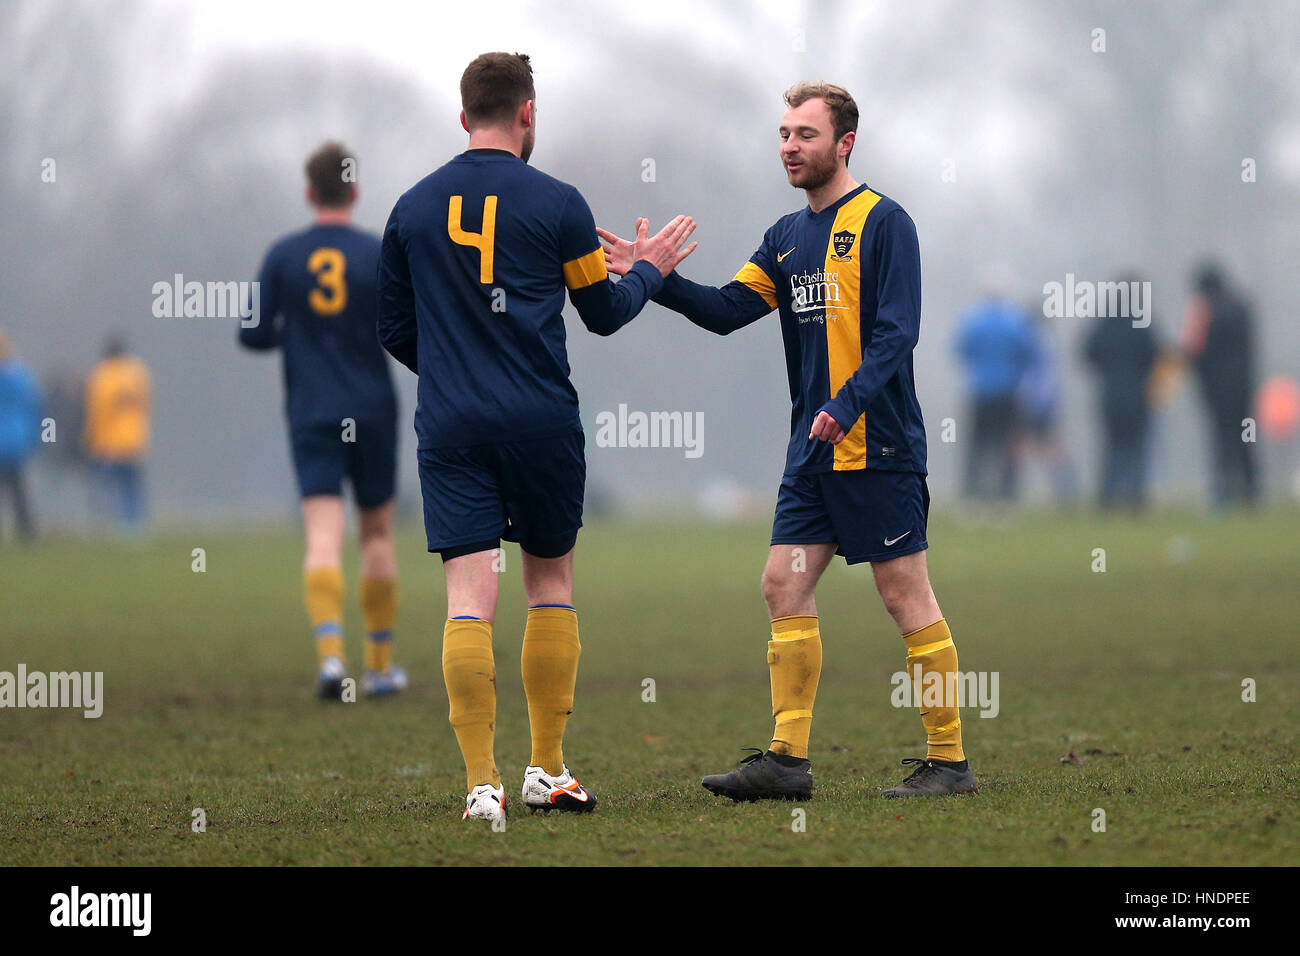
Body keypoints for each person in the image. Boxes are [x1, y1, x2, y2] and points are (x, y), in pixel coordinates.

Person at [600, 82, 977, 800]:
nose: (789, 148)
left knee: (904, 595)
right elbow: (724, 310)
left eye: (805, 134)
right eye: (782, 134)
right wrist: (652, 278)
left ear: (845, 143)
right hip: (813, 453)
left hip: (878, 446)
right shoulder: (785, 236)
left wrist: (846, 403)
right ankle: (786, 762)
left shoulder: (885, 223)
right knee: (783, 583)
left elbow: (899, 334)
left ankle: (950, 763)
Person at [377, 52, 696, 823]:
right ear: (527, 114)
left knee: (467, 598)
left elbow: (391, 327)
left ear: (463, 117)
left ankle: (481, 784)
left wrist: (455, 368)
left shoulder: (411, 208)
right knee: (549, 584)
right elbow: (605, 311)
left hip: (451, 427)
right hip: (540, 423)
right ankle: (547, 770)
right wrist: (651, 269)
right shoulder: (559, 203)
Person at [240, 142, 408, 701]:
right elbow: (404, 324)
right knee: (378, 534)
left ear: (309, 192)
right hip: (373, 408)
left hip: (312, 408)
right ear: (355, 191)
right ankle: (381, 668)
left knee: (323, 536)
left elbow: (252, 332)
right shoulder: (376, 253)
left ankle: (333, 662)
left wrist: (298, 332)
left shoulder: (284, 255)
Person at [1181, 263, 1258, 507]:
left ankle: (1223, 491)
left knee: (1221, 440)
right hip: (1243, 387)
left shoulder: (1207, 312)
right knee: (1246, 439)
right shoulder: (1242, 307)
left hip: (1217, 391)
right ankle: (1251, 490)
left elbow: (1197, 352)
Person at [952, 286, 1038, 503]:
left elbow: (960, 349)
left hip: (980, 390)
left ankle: (971, 494)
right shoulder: (1015, 321)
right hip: (1007, 391)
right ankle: (1005, 495)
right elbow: (1028, 352)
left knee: (977, 445)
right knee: (1007, 445)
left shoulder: (974, 321)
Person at [1083, 275, 1159, 510]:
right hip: (1138, 393)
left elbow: (1088, 352)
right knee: (1136, 447)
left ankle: (1108, 498)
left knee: (1112, 447)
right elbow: (1155, 355)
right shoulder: (1142, 321)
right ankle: (1135, 499)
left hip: (1110, 394)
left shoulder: (1104, 322)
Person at [83, 335, 150, 529]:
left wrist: (92, 439)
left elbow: (97, 412)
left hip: (110, 441)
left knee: (110, 485)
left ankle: (117, 523)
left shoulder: (102, 376)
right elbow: (145, 406)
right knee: (132, 485)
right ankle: (135, 524)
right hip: (135, 438)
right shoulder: (138, 373)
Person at [0, 331, 44, 543]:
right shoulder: (22, 377)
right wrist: (34, 438)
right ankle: (26, 533)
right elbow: (37, 407)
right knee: (18, 490)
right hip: (17, 442)